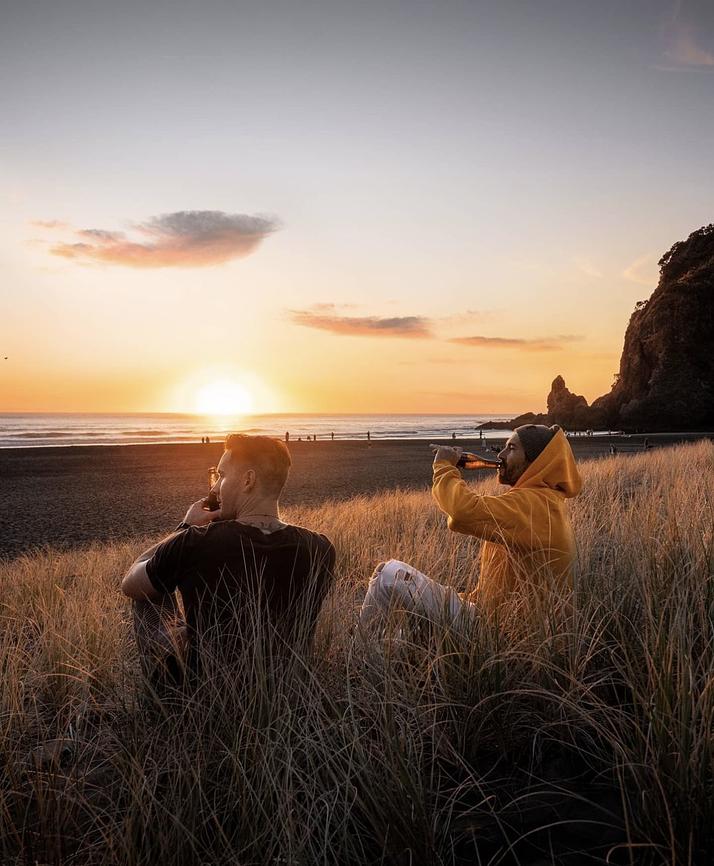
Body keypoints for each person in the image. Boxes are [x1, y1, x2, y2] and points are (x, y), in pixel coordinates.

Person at [122, 434, 336, 688]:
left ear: (248, 480)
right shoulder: (321, 548)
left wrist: (185, 527)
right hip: (287, 689)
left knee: (149, 595)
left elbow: (130, 584)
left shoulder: (196, 541)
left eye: (221, 476)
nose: (214, 488)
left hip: (203, 696)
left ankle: (157, 701)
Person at [359, 424, 582, 635]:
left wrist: (444, 468)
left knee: (389, 573)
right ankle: (378, 653)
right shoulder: (544, 502)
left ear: (537, 462)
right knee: (406, 629)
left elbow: (463, 510)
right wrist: (460, 599)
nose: (501, 455)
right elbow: (494, 593)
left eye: (511, 448)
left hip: (508, 633)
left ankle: (361, 657)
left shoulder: (535, 505)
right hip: (506, 624)